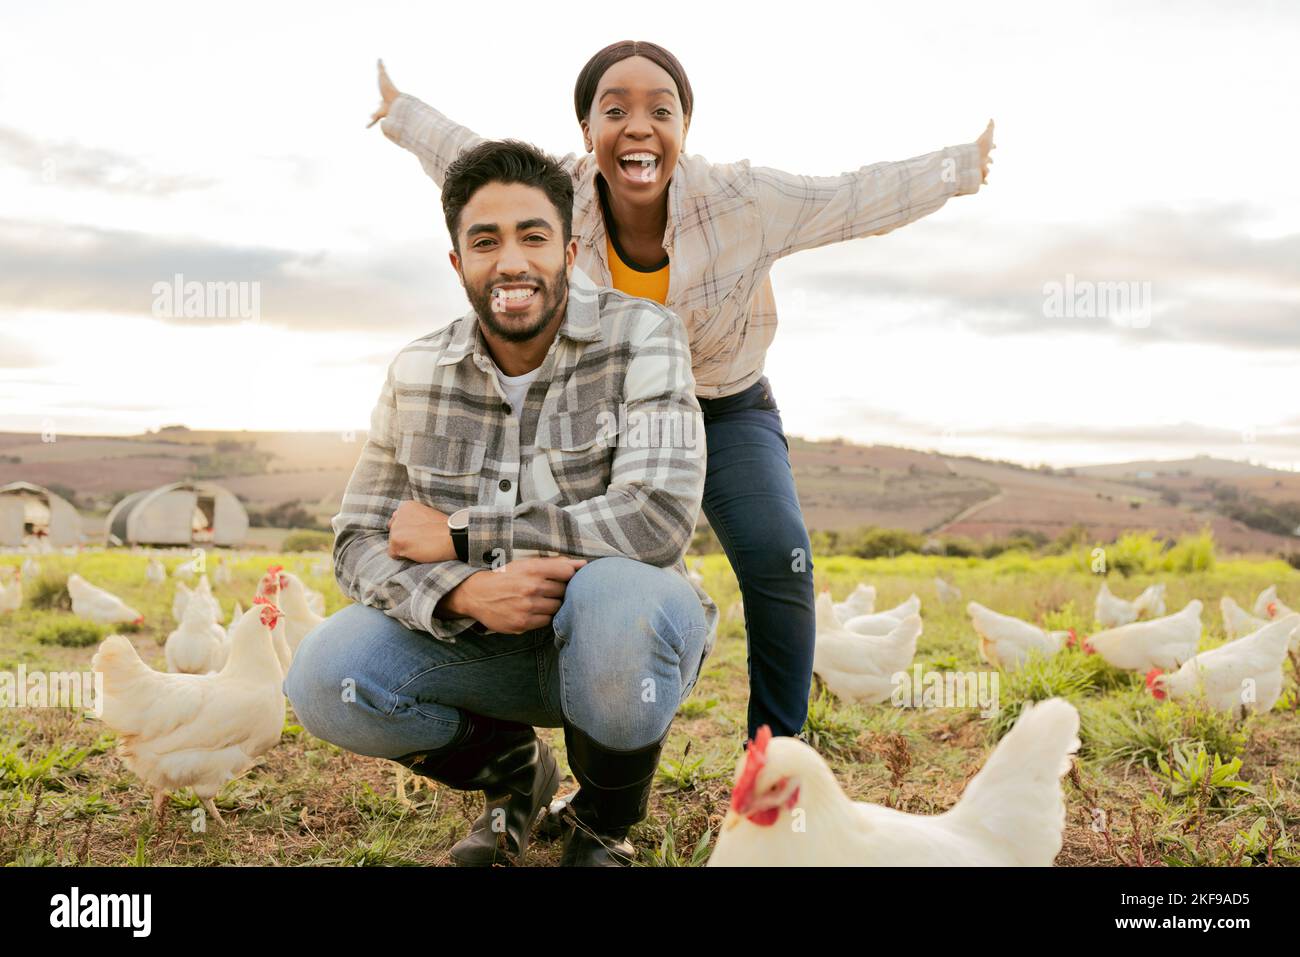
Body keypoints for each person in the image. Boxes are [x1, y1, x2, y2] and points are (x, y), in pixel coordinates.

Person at [369, 41, 995, 749]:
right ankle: (557, 750)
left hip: (723, 405)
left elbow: (850, 197)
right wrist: (400, 113)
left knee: (777, 554)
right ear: (587, 134)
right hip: (608, 415)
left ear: (683, 131)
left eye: (660, 110)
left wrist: (961, 166)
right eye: (615, 110)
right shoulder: (559, 199)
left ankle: (775, 758)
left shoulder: (745, 201)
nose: (638, 125)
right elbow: (466, 156)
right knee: (598, 566)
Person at [284, 138, 718, 867]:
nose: (511, 261)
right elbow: (358, 536)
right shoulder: (417, 370)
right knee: (325, 677)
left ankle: (601, 823)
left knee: (614, 590)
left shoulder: (644, 335)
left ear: (569, 250)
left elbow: (656, 517)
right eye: (485, 241)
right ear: (458, 263)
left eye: (533, 236)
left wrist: (462, 536)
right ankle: (516, 775)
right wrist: (467, 592)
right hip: (484, 649)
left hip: (623, 641)